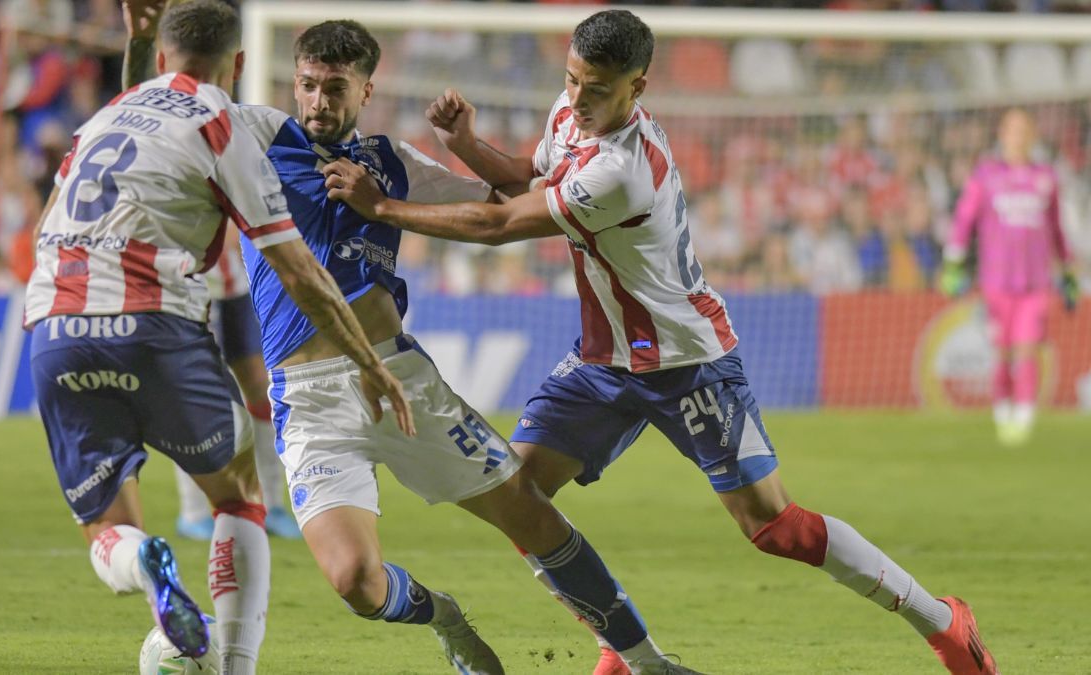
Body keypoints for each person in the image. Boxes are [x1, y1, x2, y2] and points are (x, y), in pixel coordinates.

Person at [324, 9, 999, 675]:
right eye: (573, 80)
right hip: (600, 362)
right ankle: (620, 644)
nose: (580, 98)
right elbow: (529, 181)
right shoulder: (569, 111)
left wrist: (380, 209)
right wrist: (469, 144)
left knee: (773, 526)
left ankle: (943, 621)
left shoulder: (624, 171)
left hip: (685, 361)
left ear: (636, 89)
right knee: (519, 496)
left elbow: (504, 223)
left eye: (598, 89)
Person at [121, 12, 700, 675]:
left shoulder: (392, 163)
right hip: (309, 404)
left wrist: (487, 149)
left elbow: (515, 201)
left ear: (365, 91)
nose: (317, 101)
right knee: (356, 584)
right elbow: (153, 112)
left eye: (335, 88)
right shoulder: (255, 137)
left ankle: (647, 661)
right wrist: (142, 42)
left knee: (528, 512)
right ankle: (445, 615)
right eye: (307, 84)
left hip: (403, 383)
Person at [25, 2, 413, 674]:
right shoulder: (223, 123)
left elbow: (140, 104)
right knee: (237, 497)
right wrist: (370, 363)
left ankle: (144, 565)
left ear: (163, 59)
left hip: (54, 329)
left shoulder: (102, 119)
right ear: (239, 65)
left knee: (106, 525)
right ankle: (234, 662)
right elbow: (299, 270)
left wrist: (138, 42)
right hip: (154, 323)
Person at [942, 108, 1079, 446]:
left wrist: (1068, 270)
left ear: (1032, 136)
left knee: (1027, 348)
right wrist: (954, 262)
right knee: (1002, 352)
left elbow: (1056, 228)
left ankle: (1024, 418)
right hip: (997, 282)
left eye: (1024, 130)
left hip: (1035, 283)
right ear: (1002, 135)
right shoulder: (985, 176)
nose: (1018, 137)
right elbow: (964, 220)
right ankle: (1003, 412)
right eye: (1012, 130)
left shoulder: (1045, 177)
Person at [174, 228, 302, 541]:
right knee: (197, 388)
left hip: (235, 283)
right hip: (186, 279)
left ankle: (271, 505)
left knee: (260, 384)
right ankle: (193, 513)